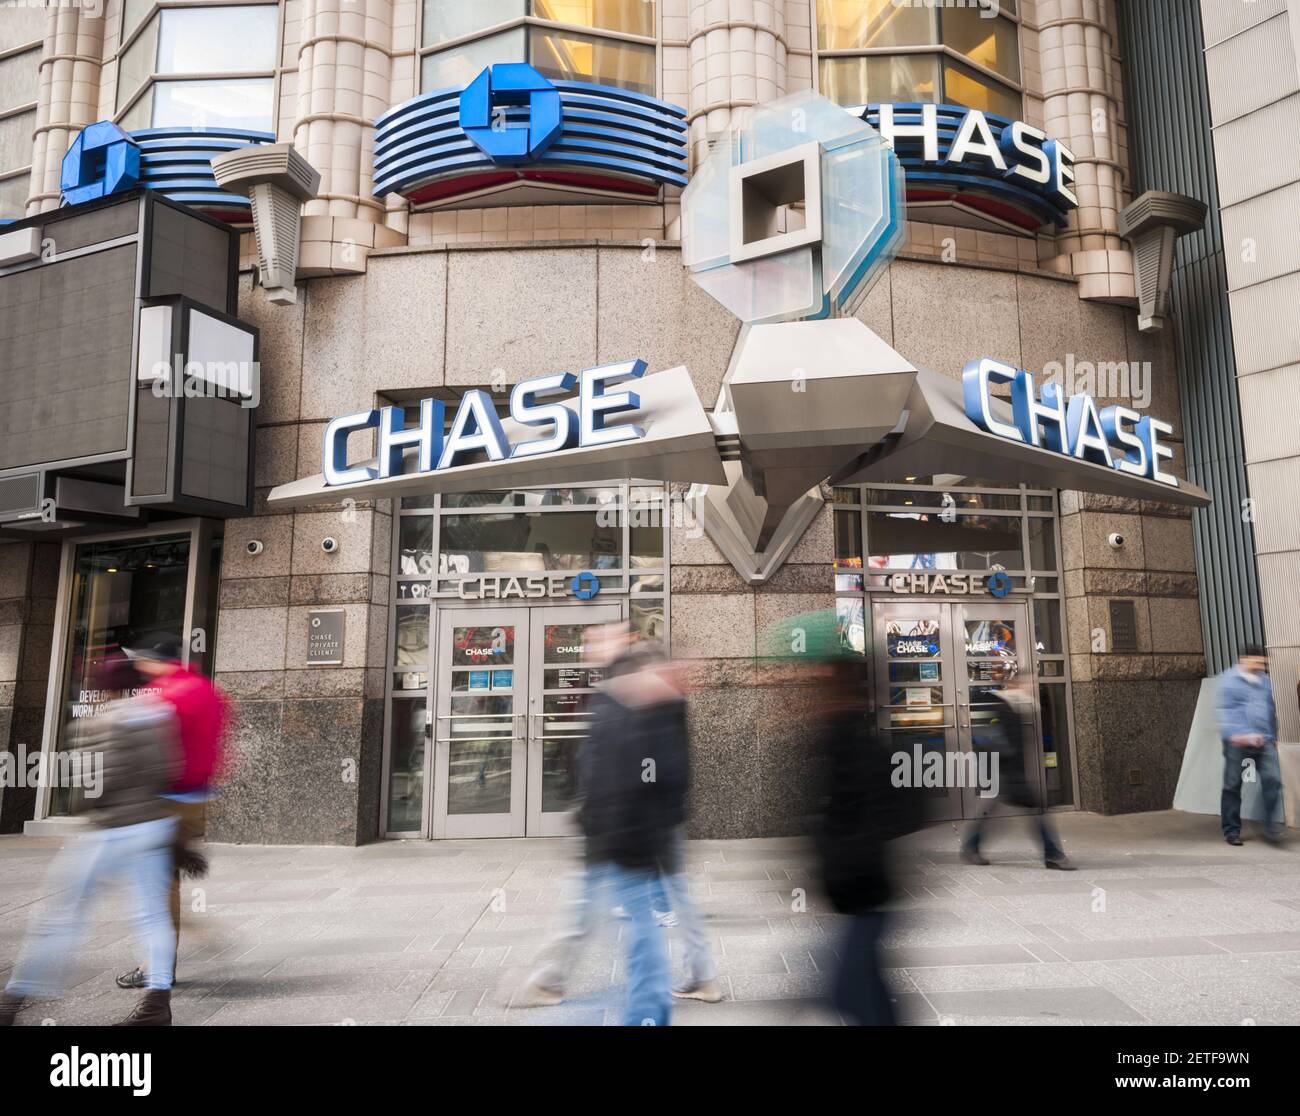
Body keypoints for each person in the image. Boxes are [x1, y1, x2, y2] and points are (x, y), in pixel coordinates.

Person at [1, 658, 180, 1027]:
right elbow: (170, 770)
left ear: (106, 688)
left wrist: (86, 808)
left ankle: (16, 996)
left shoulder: (101, 722)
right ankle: (157, 1004)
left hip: (113, 830)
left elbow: (94, 785)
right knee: (152, 916)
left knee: (62, 913)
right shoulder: (160, 716)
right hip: (153, 827)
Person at [518, 623, 675, 1025]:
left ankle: (647, 1010)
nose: (590, 644)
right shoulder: (613, 690)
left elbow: (642, 772)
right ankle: (552, 981)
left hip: (620, 833)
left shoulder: (630, 692)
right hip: (609, 829)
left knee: (625, 921)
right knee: (591, 911)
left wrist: (618, 826)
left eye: (598, 638)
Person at [812, 653, 923, 1025]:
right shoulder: (840, 741)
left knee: (845, 991)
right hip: (860, 886)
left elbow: (904, 807)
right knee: (866, 983)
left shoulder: (853, 746)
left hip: (863, 885)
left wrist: (852, 853)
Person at [115, 634, 229, 991]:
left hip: (167, 801)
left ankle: (158, 966)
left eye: (140, 660)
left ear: (153, 659)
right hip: (196, 797)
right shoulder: (206, 689)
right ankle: (161, 957)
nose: (138, 667)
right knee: (165, 880)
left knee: (158, 886)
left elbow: (149, 752)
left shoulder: (167, 696)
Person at [960, 663, 1075, 871]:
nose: (1031, 686)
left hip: (1008, 772)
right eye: (1028, 682)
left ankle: (971, 846)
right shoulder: (1000, 705)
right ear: (1014, 684)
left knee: (994, 810)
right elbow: (996, 740)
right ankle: (1053, 855)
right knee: (1036, 811)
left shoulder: (1019, 706)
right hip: (1005, 771)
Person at [1216, 643, 1284, 847]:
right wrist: (1242, 735)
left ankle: (1268, 825)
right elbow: (1226, 713)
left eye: (1263, 662)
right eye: (1258, 661)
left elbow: (1269, 708)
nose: (1261, 665)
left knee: (1273, 780)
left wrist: (1273, 735)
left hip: (1264, 740)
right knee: (1232, 785)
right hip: (1237, 742)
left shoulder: (1265, 681)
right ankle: (1231, 830)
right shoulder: (1229, 681)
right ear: (1244, 659)